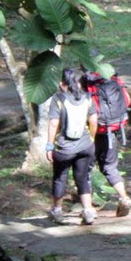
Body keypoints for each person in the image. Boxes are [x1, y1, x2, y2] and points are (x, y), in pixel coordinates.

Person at [46, 67, 99, 226]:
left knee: (60, 178)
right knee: (82, 179)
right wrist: (91, 138)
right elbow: (94, 121)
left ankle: (57, 211)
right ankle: (88, 211)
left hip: (64, 148)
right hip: (85, 146)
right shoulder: (88, 97)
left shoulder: (58, 99)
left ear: (62, 83)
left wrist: (49, 146)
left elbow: (53, 123)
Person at [83, 68, 131, 217]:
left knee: (85, 170)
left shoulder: (86, 82)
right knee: (110, 167)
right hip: (111, 130)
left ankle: (88, 208)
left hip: (91, 133)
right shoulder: (113, 78)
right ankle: (124, 197)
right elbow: (127, 100)